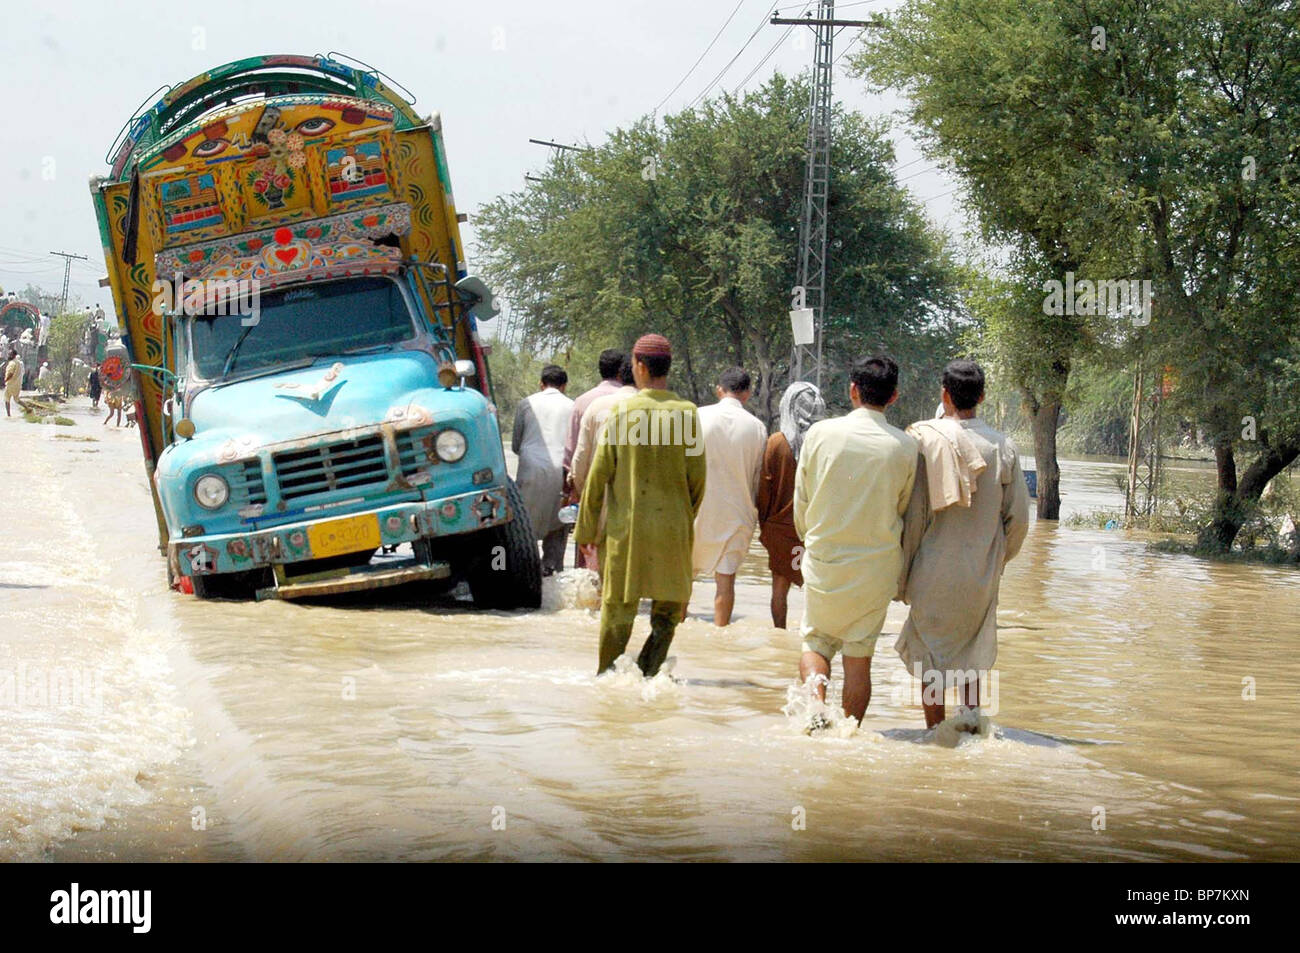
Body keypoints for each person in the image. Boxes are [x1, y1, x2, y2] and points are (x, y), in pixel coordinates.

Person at [897, 359, 1030, 730]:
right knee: (973, 654)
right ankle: (970, 728)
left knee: (929, 656)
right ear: (983, 396)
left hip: (929, 570)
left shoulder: (923, 440)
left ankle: (935, 735)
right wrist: (998, 560)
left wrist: (902, 572)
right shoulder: (1003, 447)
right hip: (980, 574)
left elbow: (910, 515)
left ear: (944, 395)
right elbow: (1018, 519)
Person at [794, 355, 917, 729]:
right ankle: (848, 733)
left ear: (852, 391)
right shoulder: (905, 447)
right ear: (894, 396)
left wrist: (812, 540)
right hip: (875, 569)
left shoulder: (819, 434)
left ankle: (816, 706)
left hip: (825, 558)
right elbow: (903, 507)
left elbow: (802, 500)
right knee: (859, 657)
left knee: (815, 644)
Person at [574, 333, 706, 676]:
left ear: (639, 365)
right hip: (673, 531)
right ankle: (648, 673)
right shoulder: (687, 415)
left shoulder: (623, 411)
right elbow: (698, 481)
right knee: (667, 614)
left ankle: (608, 678)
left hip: (627, 531)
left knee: (618, 610)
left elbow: (598, 477)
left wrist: (587, 530)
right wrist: (681, 516)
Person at [692, 367, 767, 626]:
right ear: (746, 394)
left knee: (683, 582)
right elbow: (758, 477)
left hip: (696, 510)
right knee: (725, 585)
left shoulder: (696, 417)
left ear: (719, 390)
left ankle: (675, 636)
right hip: (737, 513)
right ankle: (720, 637)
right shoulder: (757, 428)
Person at [756, 381, 825, 628]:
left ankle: (780, 635)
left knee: (779, 588)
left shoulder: (777, 442)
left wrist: (764, 525)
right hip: (816, 528)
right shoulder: (824, 442)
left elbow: (764, 488)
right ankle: (813, 640)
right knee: (817, 589)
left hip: (781, 530)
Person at [568, 356, 637, 571]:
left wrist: (580, 493)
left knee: (596, 569)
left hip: (600, 500)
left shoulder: (592, 404)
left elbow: (579, 458)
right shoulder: (661, 410)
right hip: (641, 507)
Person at [513, 364, 574, 575]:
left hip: (530, 469)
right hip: (561, 472)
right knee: (558, 526)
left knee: (522, 526)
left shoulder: (525, 404)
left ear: (541, 384)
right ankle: (552, 570)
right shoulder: (572, 406)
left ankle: (522, 572)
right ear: (564, 386)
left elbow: (515, 445)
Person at [4, 348, 24, 416]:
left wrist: (5, 379)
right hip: (17, 384)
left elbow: (10, 373)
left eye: (10, 354)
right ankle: (27, 408)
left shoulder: (12, 363)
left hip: (10, 384)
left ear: (14, 355)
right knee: (16, 399)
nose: (8, 355)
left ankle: (8, 415)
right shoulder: (18, 362)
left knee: (6, 399)